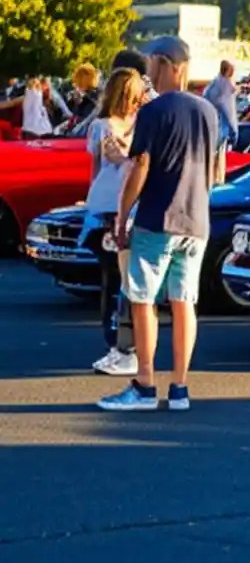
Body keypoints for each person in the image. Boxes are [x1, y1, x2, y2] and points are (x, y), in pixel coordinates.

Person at [98, 36, 217, 412]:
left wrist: (122, 214)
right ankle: (179, 387)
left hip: (158, 216)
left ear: (167, 65)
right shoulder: (208, 111)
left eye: (152, 62)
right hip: (196, 218)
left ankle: (145, 384)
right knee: (184, 301)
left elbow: (140, 165)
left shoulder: (153, 111)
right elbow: (214, 170)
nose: (148, 71)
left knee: (142, 298)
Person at [85, 67, 147, 376]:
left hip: (119, 207)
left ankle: (121, 346)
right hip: (118, 206)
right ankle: (118, 346)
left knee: (118, 281)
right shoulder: (110, 126)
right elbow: (101, 165)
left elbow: (101, 167)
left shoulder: (120, 125)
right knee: (118, 280)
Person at [203, 60, 239, 185]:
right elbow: (229, 112)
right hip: (222, 126)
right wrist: (234, 132)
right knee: (219, 164)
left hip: (210, 125)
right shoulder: (227, 87)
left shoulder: (213, 84)